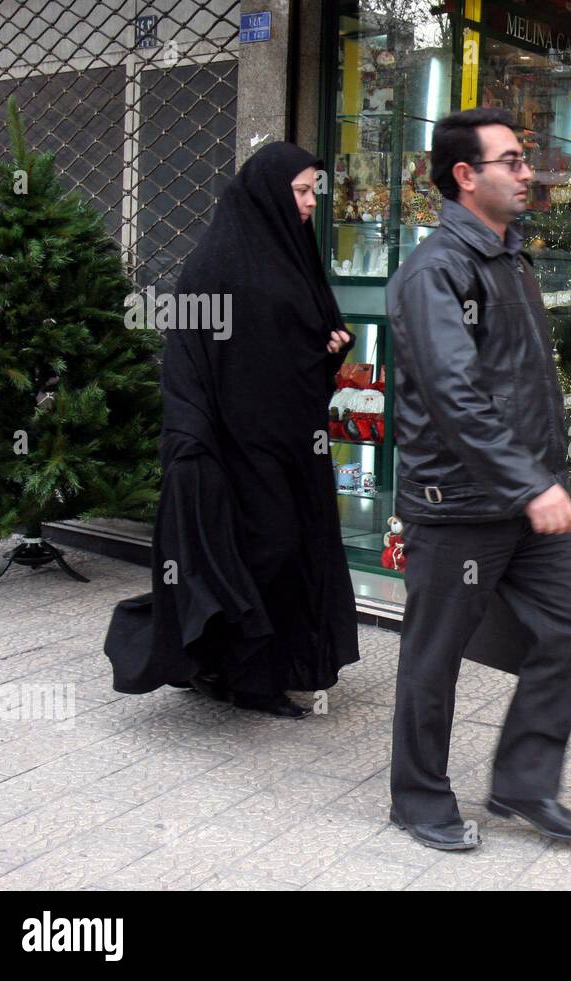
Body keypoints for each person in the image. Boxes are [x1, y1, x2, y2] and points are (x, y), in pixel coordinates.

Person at [386, 108, 571, 850]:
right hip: (461, 504)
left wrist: (541, 479)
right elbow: (455, 397)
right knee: (434, 654)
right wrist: (531, 484)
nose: (527, 171)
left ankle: (523, 782)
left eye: (525, 158)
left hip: (523, 495)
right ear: (465, 176)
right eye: (510, 160)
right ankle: (418, 797)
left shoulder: (509, 259)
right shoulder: (433, 272)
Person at [104, 142, 360, 717]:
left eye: (312, 191)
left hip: (291, 438)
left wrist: (329, 348)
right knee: (268, 547)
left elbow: (301, 340)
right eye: (299, 190)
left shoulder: (293, 255)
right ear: (269, 190)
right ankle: (245, 678)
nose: (308, 203)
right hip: (232, 444)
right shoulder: (216, 262)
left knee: (291, 551)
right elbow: (186, 358)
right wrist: (189, 442)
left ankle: (238, 670)